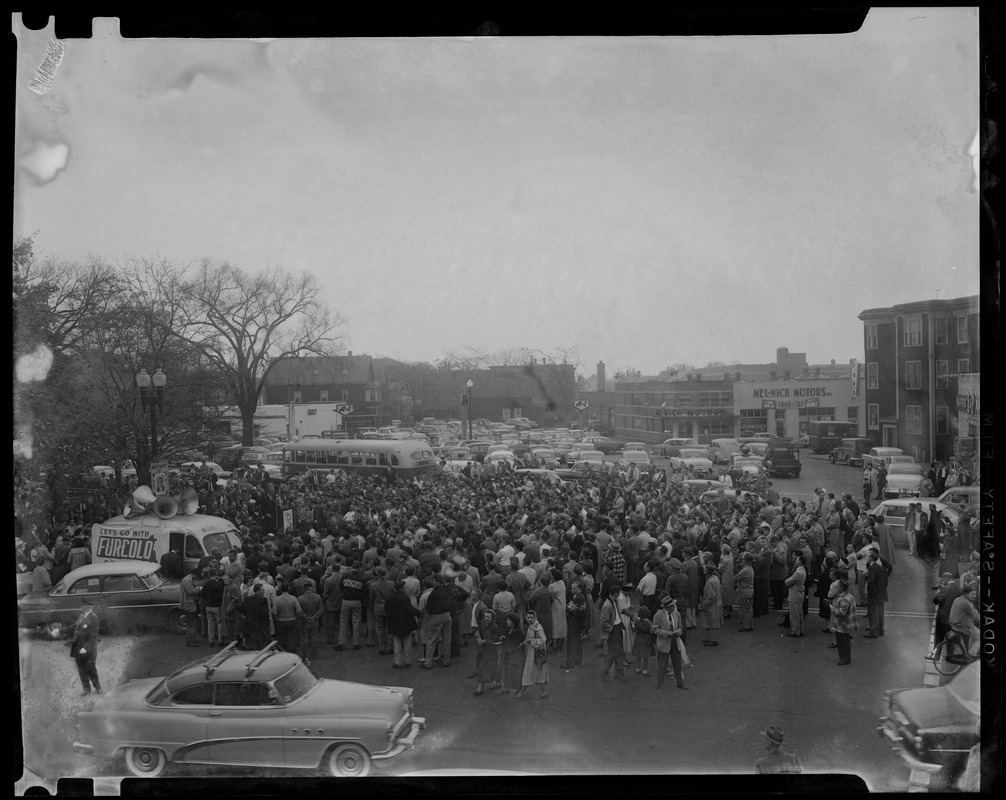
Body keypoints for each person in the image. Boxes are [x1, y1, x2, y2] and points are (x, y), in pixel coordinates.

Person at [385, 578, 422, 669]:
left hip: (394, 622)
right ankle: (407, 661)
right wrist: (418, 612)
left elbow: (386, 610)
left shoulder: (389, 597)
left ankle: (398, 662)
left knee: (396, 643)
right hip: (406, 622)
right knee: (407, 642)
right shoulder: (405, 597)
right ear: (402, 588)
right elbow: (409, 609)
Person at [68, 598, 102, 696]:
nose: (81, 607)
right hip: (78, 647)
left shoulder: (94, 618)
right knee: (81, 670)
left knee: (91, 669)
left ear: (89, 607)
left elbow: (93, 636)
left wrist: (86, 648)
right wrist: (60, 631)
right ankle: (86, 689)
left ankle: (98, 687)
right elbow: (74, 626)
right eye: (81, 606)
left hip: (89, 650)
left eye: (83, 606)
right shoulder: (81, 616)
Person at [653, 595, 686, 690]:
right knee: (662, 665)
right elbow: (655, 629)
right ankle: (659, 683)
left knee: (677, 664)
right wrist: (667, 633)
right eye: (671, 606)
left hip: (675, 642)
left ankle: (680, 683)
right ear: (666, 607)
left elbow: (680, 627)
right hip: (664, 643)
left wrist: (678, 632)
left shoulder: (677, 614)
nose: (673, 607)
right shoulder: (658, 616)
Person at [516, 609, 549, 699]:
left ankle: (521, 693)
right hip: (532, 653)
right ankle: (544, 692)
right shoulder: (531, 626)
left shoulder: (537, 627)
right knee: (538, 672)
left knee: (529, 671)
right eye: (528, 617)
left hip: (535, 653)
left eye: (532, 617)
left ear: (535, 617)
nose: (530, 619)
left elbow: (543, 640)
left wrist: (531, 641)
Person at [599, 584, 629, 682]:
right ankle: (605, 673)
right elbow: (603, 622)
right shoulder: (607, 606)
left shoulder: (614, 602)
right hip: (613, 631)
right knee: (612, 654)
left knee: (619, 652)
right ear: (615, 594)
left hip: (617, 628)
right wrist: (611, 629)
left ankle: (618, 674)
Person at [829, 577, 858, 665]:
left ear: (841, 588)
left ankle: (844, 658)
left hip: (842, 624)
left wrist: (832, 609)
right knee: (845, 642)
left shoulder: (844, 599)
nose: (836, 588)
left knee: (842, 643)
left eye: (838, 587)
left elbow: (841, 613)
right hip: (845, 624)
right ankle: (845, 657)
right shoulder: (847, 596)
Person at [561, 579, 589, 670]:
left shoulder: (578, 598)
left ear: (579, 589)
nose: (572, 590)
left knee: (571, 643)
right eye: (572, 588)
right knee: (578, 642)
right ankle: (578, 661)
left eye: (574, 589)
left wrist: (568, 607)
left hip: (574, 623)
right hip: (578, 623)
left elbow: (569, 608)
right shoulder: (579, 596)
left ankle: (569, 663)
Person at [472, 608, 501, 696]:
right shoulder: (482, 623)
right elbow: (478, 630)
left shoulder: (495, 627)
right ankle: (498, 682)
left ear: (492, 618)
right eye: (485, 616)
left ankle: (480, 688)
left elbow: (495, 641)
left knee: (483, 668)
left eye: (488, 617)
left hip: (490, 651)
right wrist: (476, 634)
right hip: (483, 649)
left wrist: (484, 641)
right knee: (490, 668)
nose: (486, 619)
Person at [949, 583, 980, 657]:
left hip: (953, 624)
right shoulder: (967, 604)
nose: (974, 596)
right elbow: (976, 618)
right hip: (963, 626)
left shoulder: (957, 599)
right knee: (979, 636)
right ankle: (971, 655)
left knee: (975, 634)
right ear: (966, 594)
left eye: (975, 594)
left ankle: (971, 650)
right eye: (972, 594)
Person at [498, 612, 525, 695]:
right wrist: (504, 638)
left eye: (508, 620)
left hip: (516, 656)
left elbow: (513, 644)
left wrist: (504, 642)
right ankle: (507, 688)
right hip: (511, 655)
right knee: (508, 672)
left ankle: (518, 689)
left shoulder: (517, 631)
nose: (507, 621)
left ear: (513, 622)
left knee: (516, 673)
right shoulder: (510, 629)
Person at [297, 578, 322, 665]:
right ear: (311, 587)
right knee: (314, 639)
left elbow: (300, 611)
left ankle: (304, 655)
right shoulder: (318, 597)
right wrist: (314, 617)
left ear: (304, 587)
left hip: (304, 623)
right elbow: (320, 609)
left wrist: (306, 617)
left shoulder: (300, 599)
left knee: (304, 640)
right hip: (314, 622)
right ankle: (314, 654)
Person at [863, 550, 888, 638]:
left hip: (874, 594)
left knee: (873, 613)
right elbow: (885, 580)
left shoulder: (872, 568)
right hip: (882, 593)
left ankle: (873, 631)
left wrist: (872, 593)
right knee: (880, 613)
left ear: (870, 558)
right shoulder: (880, 566)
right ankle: (881, 630)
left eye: (868, 557)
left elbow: (871, 581)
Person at [783, 553, 806, 637]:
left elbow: (787, 582)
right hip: (799, 594)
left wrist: (787, 580)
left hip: (794, 595)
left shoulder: (798, 573)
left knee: (794, 614)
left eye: (797, 560)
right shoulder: (802, 570)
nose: (795, 560)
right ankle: (801, 630)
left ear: (799, 561)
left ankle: (795, 631)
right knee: (800, 613)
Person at [699, 562, 722, 646]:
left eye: (704, 568)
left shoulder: (710, 581)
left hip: (710, 606)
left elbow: (710, 596)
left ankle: (712, 639)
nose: (703, 570)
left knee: (711, 623)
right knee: (712, 622)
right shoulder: (715, 578)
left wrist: (704, 605)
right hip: (715, 604)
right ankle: (710, 638)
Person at [180, 566, 202, 647]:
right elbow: (191, 591)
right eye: (196, 576)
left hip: (189, 604)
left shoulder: (187, 579)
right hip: (189, 605)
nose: (196, 578)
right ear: (194, 574)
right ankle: (191, 641)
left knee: (192, 623)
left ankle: (192, 639)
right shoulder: (188, 580)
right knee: (192, 624)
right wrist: (199, 588)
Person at [630, 606, 655, 676]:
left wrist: (632, 624)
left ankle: (638, 668)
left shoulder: (637, 621)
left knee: (638, 655)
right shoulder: (649, 622)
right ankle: (645, 670)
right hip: (646, 639)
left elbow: (634, 630)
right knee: (645, 656)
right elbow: (651, 631)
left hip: (638, 638)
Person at [734, 552, 755, 632]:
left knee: (744, 609)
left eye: (742, 559)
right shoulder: (750, 568)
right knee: (749, 609)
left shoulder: (745, 570)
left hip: (744, 591)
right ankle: (750, 624)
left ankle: (746, 626)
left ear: (745, 560)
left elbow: (735, 578)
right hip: (749, 590)